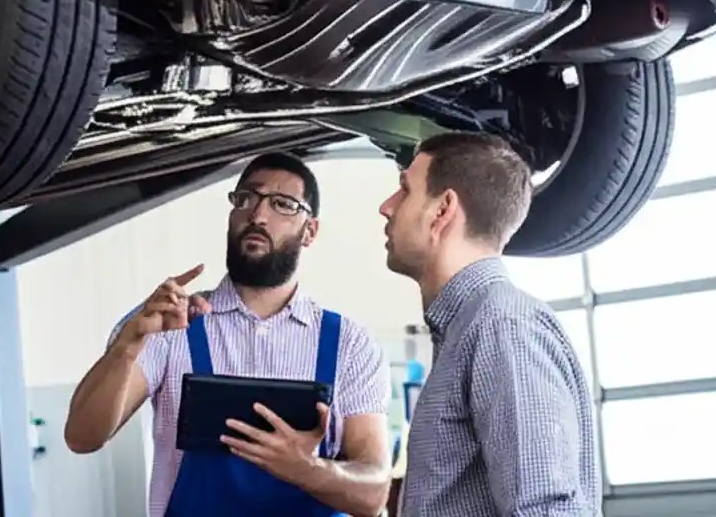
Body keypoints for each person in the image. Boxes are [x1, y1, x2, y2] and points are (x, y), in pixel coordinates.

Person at [64, 152, 393, 517]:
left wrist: (305, 468)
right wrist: (126, 347)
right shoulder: (169, 325)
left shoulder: (350, 345)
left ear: (310, 231)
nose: (258, 215)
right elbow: (82, 436)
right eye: (246, 198)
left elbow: (374, 493)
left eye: (282, 204)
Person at [378, 131, 601, 517]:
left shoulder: (503, 325)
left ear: (442, 210)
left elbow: (544, 510)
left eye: (404, 190)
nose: (387, 207)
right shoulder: (468, 328)